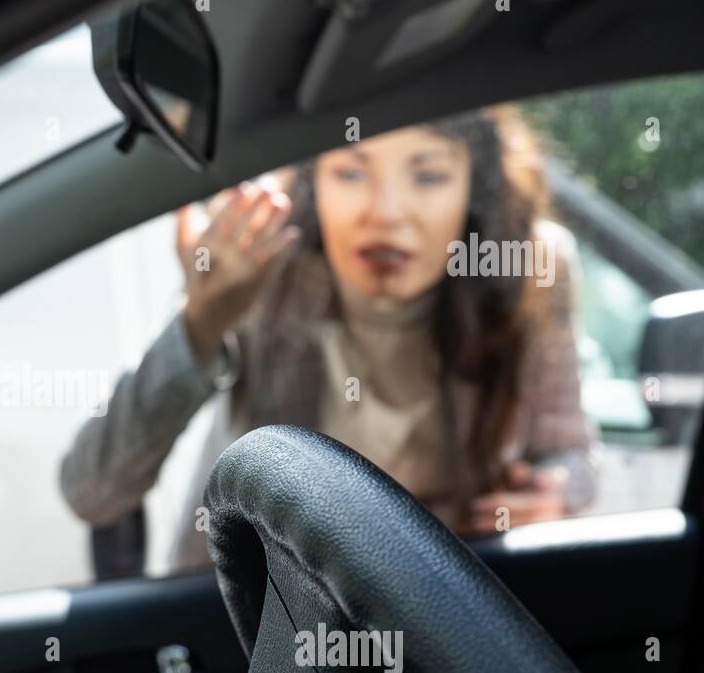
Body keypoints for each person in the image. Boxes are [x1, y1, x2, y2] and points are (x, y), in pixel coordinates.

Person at [59, 105, 598, 573]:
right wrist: (202, 323)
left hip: (446, 635)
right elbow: (94, 490)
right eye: (350, 172)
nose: (386, 214)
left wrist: (554, 495)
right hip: (265, 630)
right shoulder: (263, 265)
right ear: (314, 180)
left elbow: (570, 454)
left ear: (474, 184)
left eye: (429, 176)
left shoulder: (532, 270)